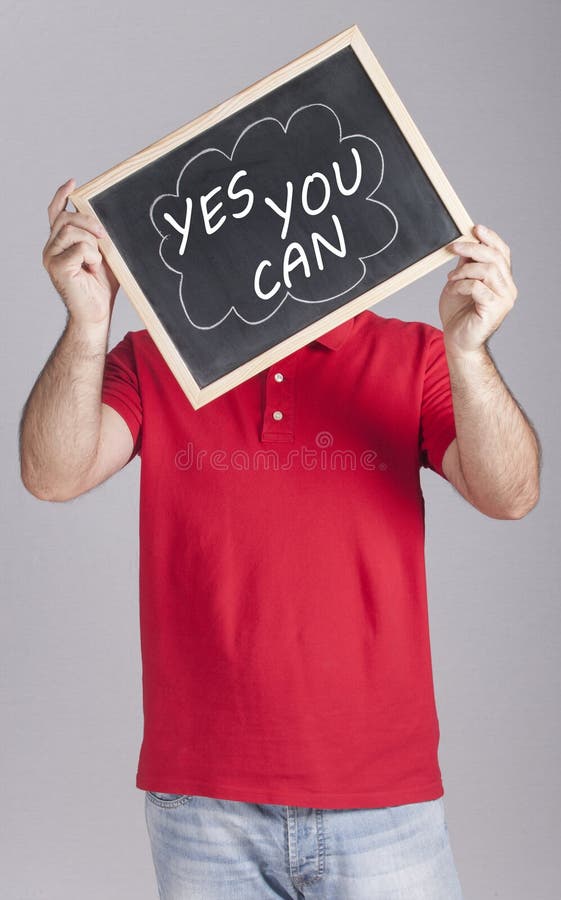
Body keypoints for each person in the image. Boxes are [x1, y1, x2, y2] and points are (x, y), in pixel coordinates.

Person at [19, 177, 541, 900]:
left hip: (382, 797)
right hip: (203, 804)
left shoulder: (417, 355)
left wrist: (469, 351)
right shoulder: (156, 358)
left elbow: (510, 494)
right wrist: (85, 325)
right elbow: (52, 474)